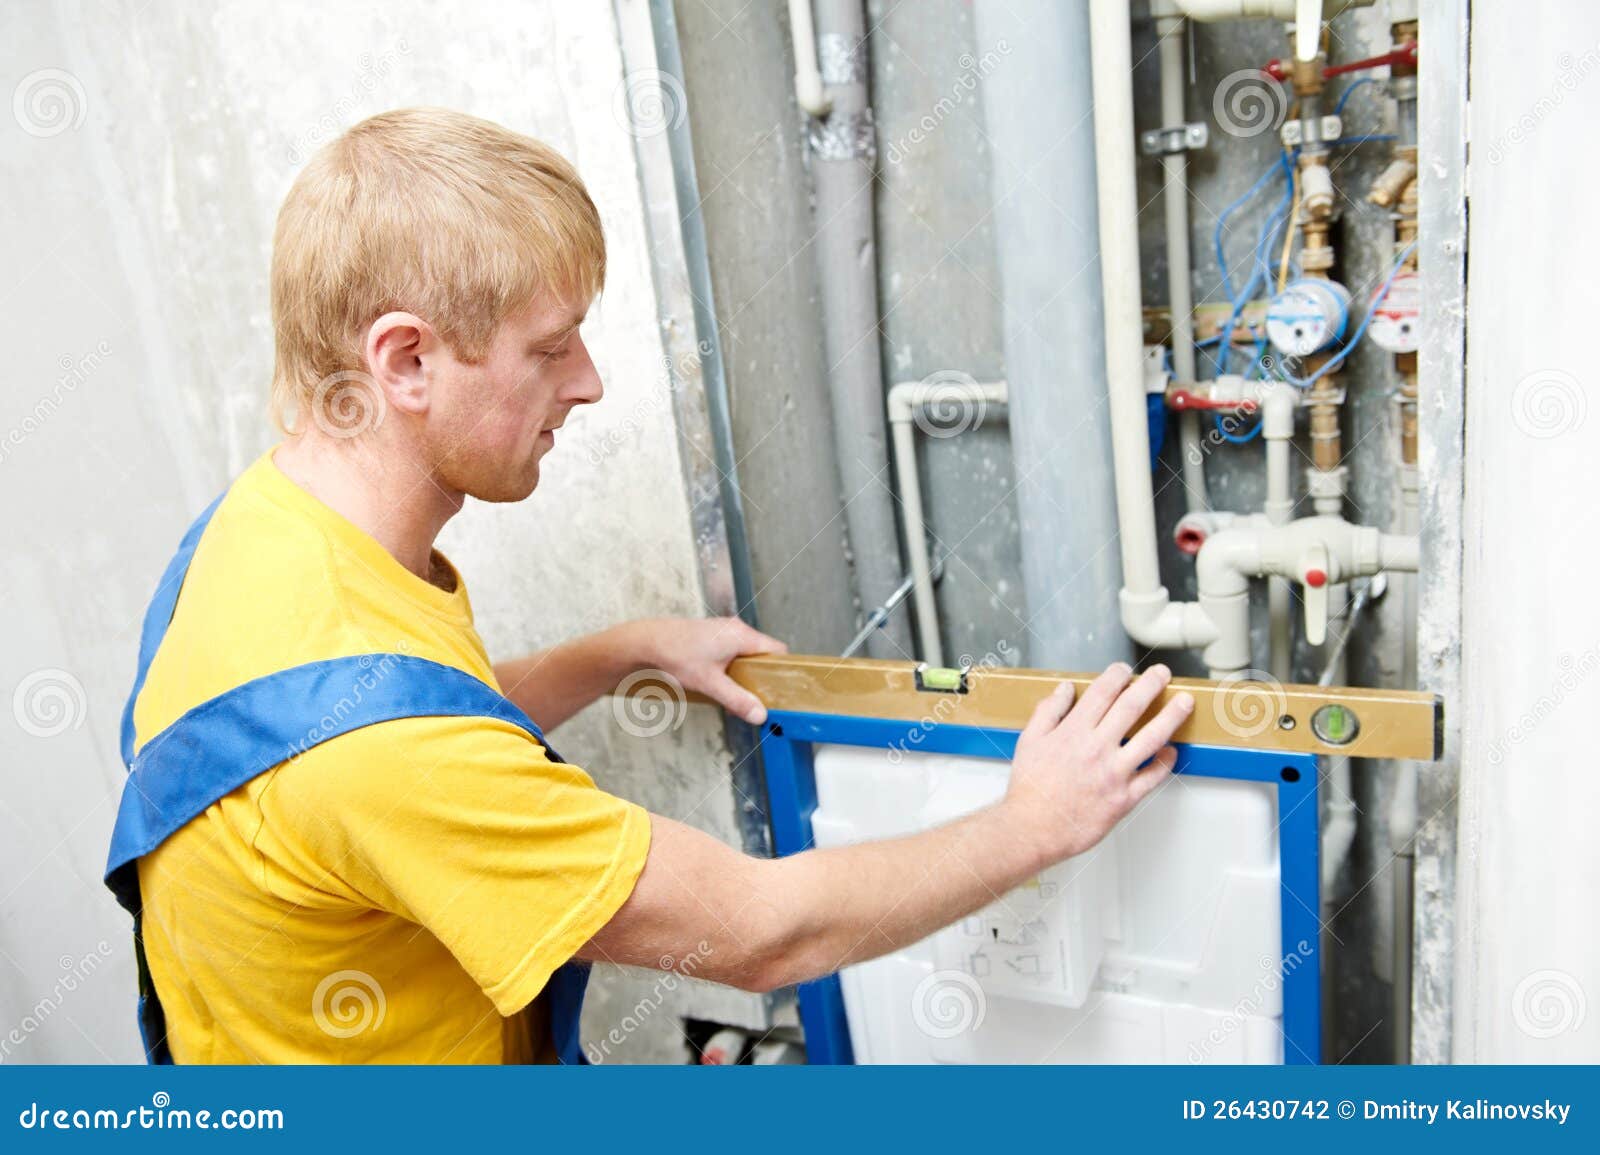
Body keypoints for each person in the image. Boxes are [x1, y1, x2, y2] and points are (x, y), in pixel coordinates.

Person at [107, 108, 1193, 1064]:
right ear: (405, 363)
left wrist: (617, 651)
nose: (586, 383)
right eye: (550, 347)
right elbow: (767, 934)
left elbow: (402, 710)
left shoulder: (259, 539)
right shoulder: (379, 753)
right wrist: (1034, 824)